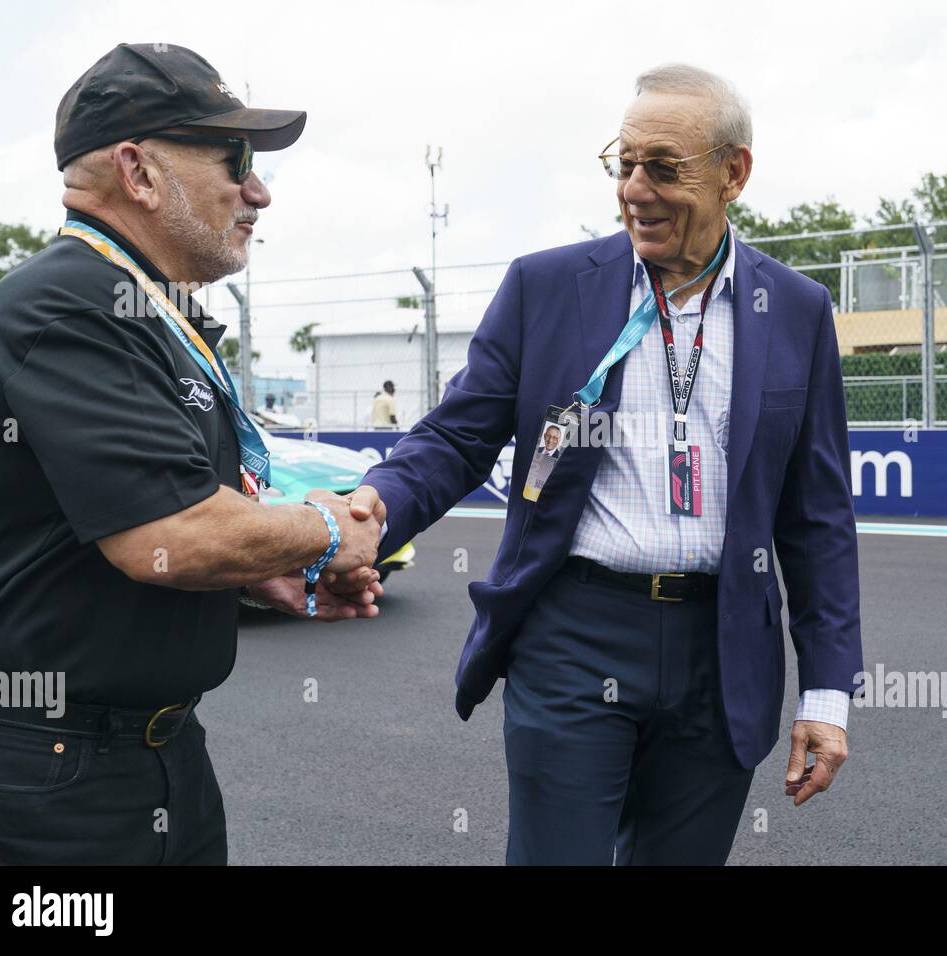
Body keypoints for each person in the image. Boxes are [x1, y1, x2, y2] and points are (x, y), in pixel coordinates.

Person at [339, 64, 862, 865]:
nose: (635, 190)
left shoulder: (795, 308)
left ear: (735, 174)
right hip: (576, 636)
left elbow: (818, 518)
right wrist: (377, 505)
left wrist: (827, 694)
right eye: (623, 165)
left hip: (722, 648)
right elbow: (457, 437)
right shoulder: (545, 288)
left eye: (663, 167)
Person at [0, 43, 385, 865]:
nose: (257, 190)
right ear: (139, 171)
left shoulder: (151, 313)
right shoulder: (69, 303)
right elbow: (174, 533)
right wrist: (327, 531)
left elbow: (120, 517)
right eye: (235, 161)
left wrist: (251, 569)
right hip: (43, 778)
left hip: (150, 754)